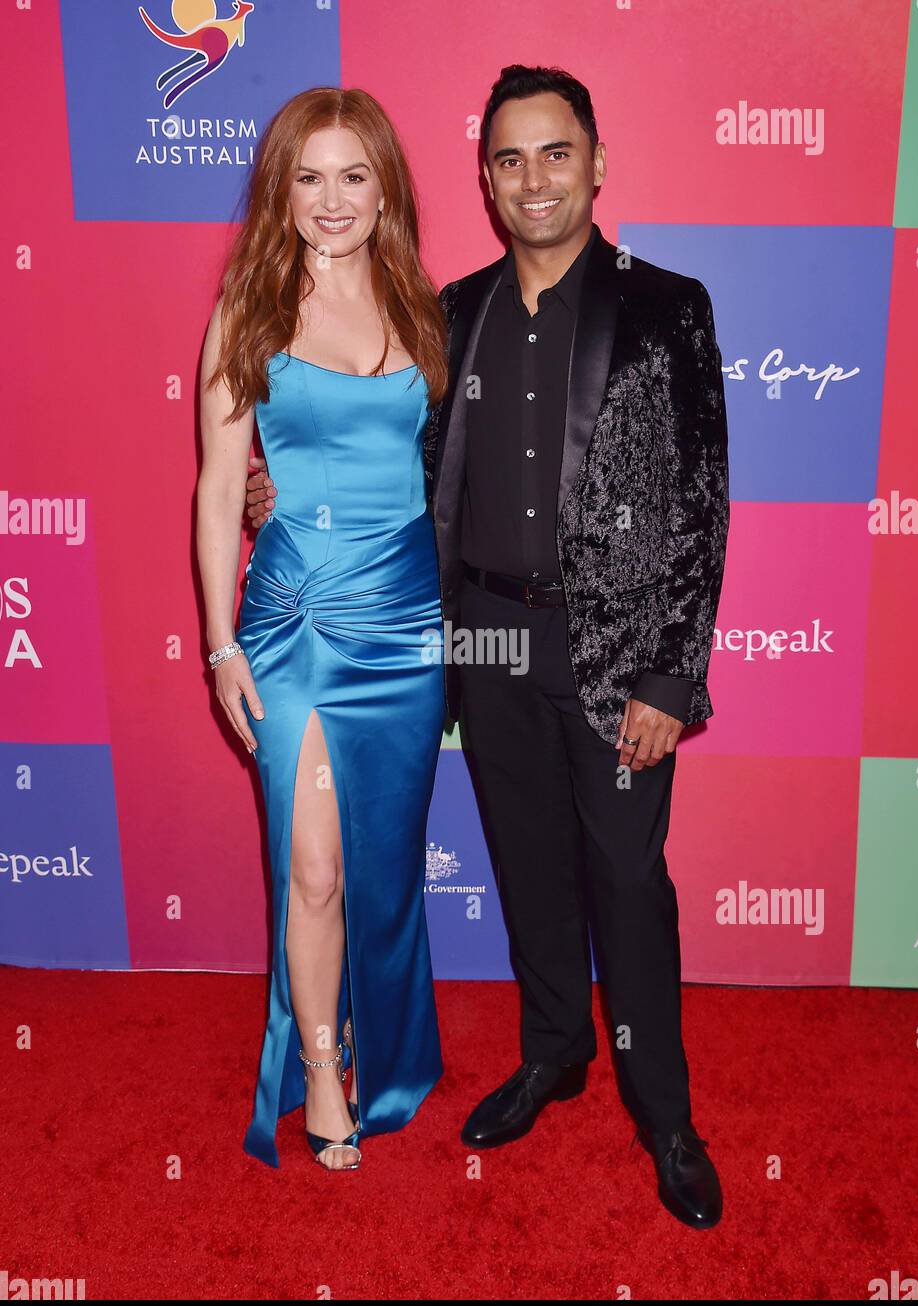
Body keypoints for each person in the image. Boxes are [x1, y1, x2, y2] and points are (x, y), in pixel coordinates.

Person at [246, 65, 730, 1228]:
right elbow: (398, 470)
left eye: (555, 153)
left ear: (596, 163)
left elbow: (703, 502)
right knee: (524, 864)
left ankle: (664, 1114)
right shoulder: (445, 311)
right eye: (509, 159)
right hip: (481, 641)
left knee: (626, 879)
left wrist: (672, 672)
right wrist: (281, 491)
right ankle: (555, 1053)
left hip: (617, 660)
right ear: (485, 179)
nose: (534, 180)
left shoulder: (666, 305)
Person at [197, 87, 449, 1171]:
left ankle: (380, 1036)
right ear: (280, 189)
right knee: (311, 867)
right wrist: (220, 646)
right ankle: (321, 1068)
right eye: (310, 176)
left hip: (404, 621)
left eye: (354, 174)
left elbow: (447, 469)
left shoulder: (426, 304)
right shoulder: (245, 310)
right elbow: (216, 493)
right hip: (293, 615)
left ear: (384, 182)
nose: (333, 199)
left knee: (380, 861)